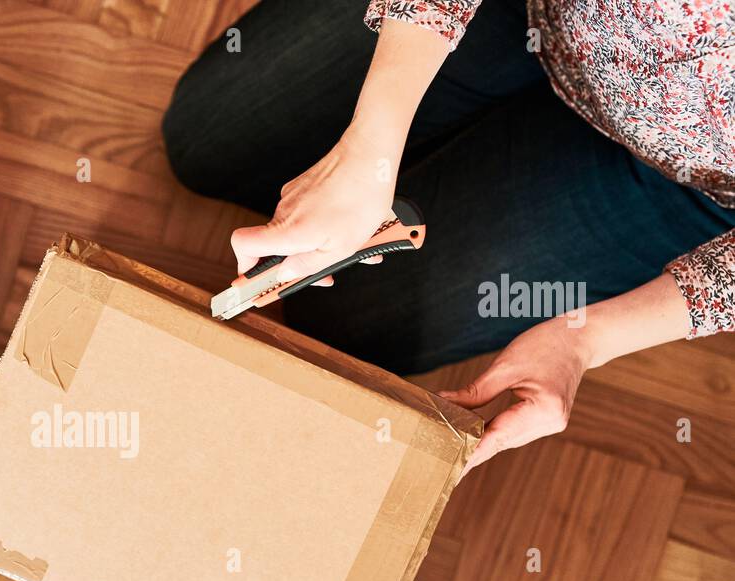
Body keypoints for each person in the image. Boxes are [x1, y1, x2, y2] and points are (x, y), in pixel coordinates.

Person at [163, 0, 735, 474]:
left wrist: (587, 340)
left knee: (349, 318)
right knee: (203, 143)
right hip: (526, 12)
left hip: (683, 178)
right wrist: (369, 146)